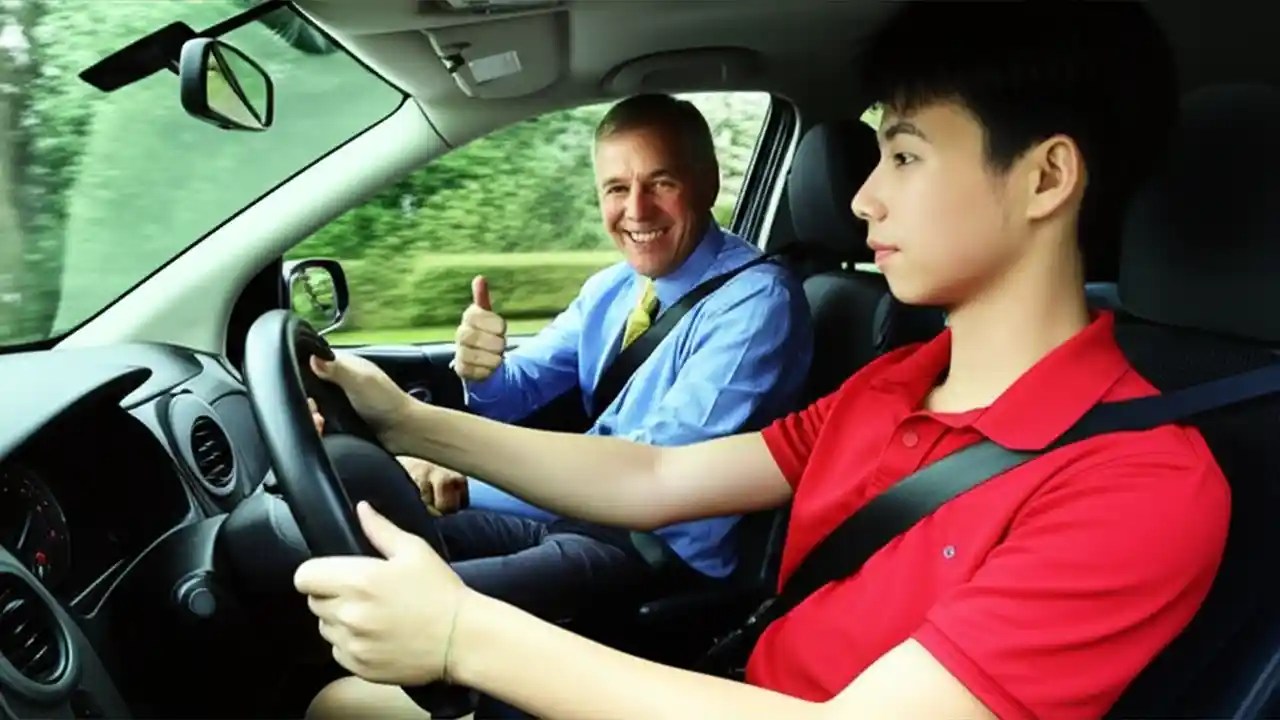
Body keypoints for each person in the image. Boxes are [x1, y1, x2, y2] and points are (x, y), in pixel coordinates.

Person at [294, 3, 1231, 718]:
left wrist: (461, 634)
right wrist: (408, 419)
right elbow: (654, 473)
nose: (861, 200)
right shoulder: (893, 383)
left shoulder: (1142, 484)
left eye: (903, 158)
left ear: (1045, 178)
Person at [325, 93, 813, 625]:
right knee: (370, 549)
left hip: (658, 549)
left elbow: (654, 480)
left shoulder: (758, 304)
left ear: (707, 182)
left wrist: (463, 477)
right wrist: (485, 371)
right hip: (578, 514)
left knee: (400, 604)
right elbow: (519, 389)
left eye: (662, 183)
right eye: (617, 189)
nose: (637, 210)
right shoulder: (615, 287)